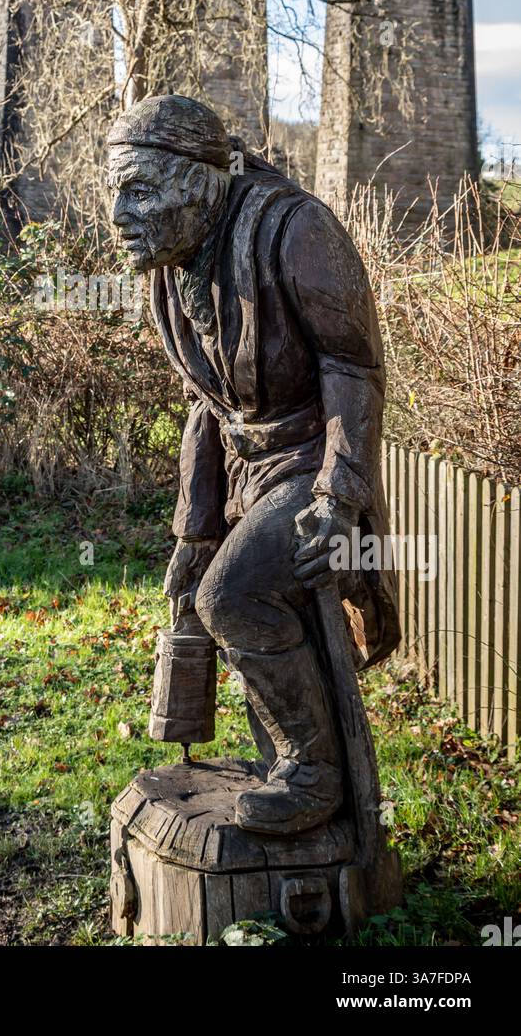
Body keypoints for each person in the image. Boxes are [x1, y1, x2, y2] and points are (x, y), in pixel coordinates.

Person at [106, 94, 399, 835]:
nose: (118, 213)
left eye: (138, 190)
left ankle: (315, 775)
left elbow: (353, 368)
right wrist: (193, 533)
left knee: (232, 597)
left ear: (198, 181)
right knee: (207, 588)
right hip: (249, 471)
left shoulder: (296, 231)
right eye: (114, 191)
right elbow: (207, 406)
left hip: (312, 461)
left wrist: (339, 494)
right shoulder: (171, 267)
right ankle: (282, 758)